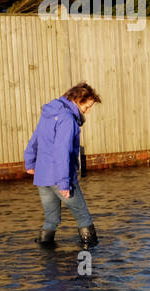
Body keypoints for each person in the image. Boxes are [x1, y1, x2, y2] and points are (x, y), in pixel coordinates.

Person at [24, 82, 101, 249]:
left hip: (43, 177)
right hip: (60, 178)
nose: (87, 111)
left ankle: (46, 257)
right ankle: (89, 255)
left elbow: (35, 139)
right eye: (87, 107)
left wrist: (29, 162)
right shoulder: (67, 119)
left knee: (51, 219)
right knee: (83, 217)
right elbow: (62, 151)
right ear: (78, 100)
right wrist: (64, 183)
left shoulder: (49, 113)